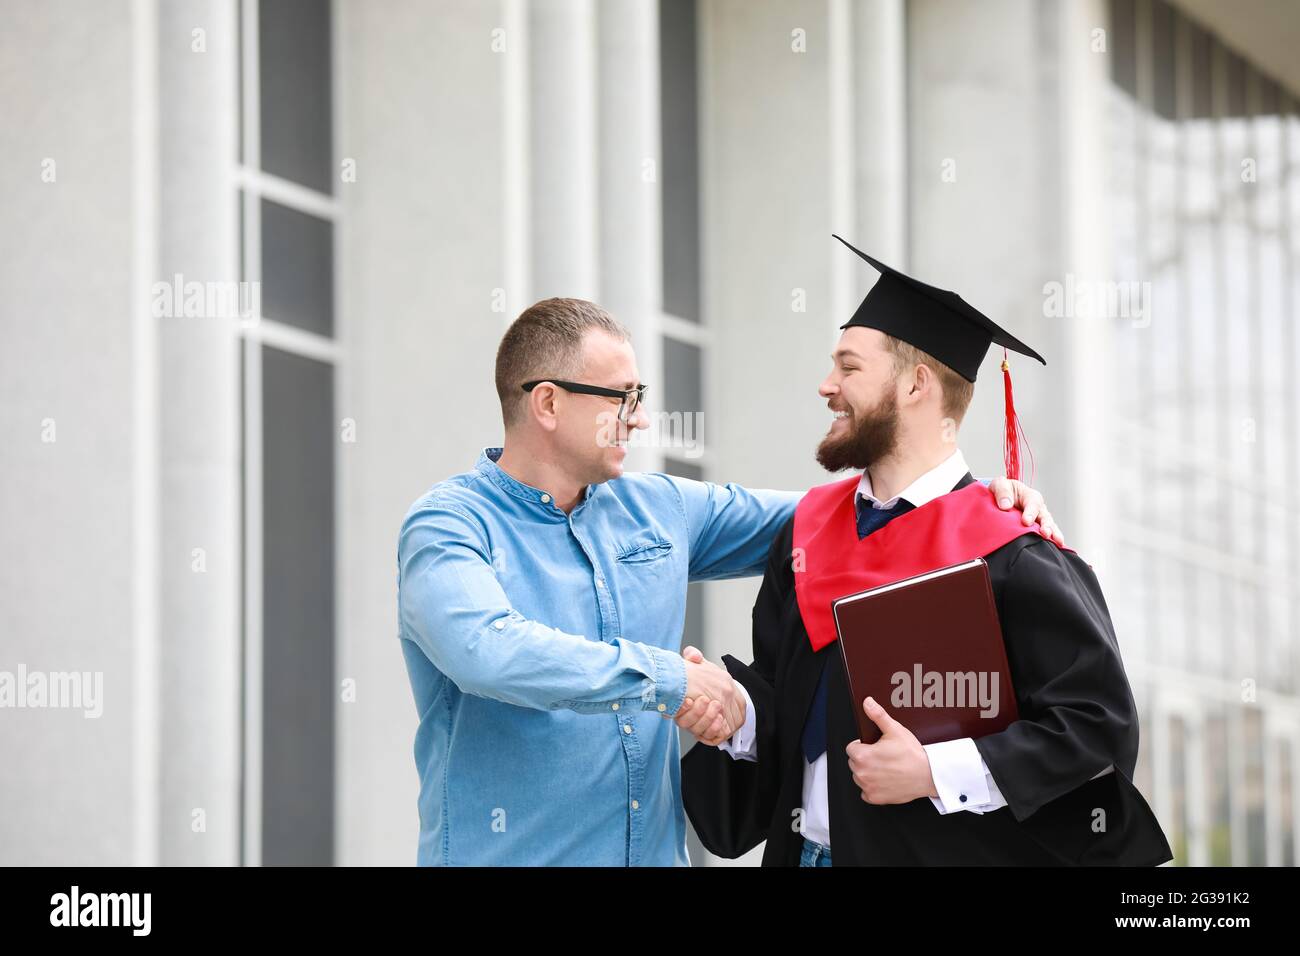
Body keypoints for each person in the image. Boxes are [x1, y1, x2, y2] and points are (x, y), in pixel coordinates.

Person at [397, 295, 1058, 865]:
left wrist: (976, 502)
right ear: (547, 402)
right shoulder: (449, 526)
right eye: (621, 398)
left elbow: (849, 516)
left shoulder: (655, 508)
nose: (641, 418)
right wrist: (670, 679)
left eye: (642, 398)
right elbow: (488, 652)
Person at [678, 236, 1172, 866]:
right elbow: (790, 703)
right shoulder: (803, 536)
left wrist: (937, 771)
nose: (826, 385)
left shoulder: (1011, 551)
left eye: (849, 368)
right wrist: (737, 713)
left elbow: (1095, 729)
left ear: (915, 386)